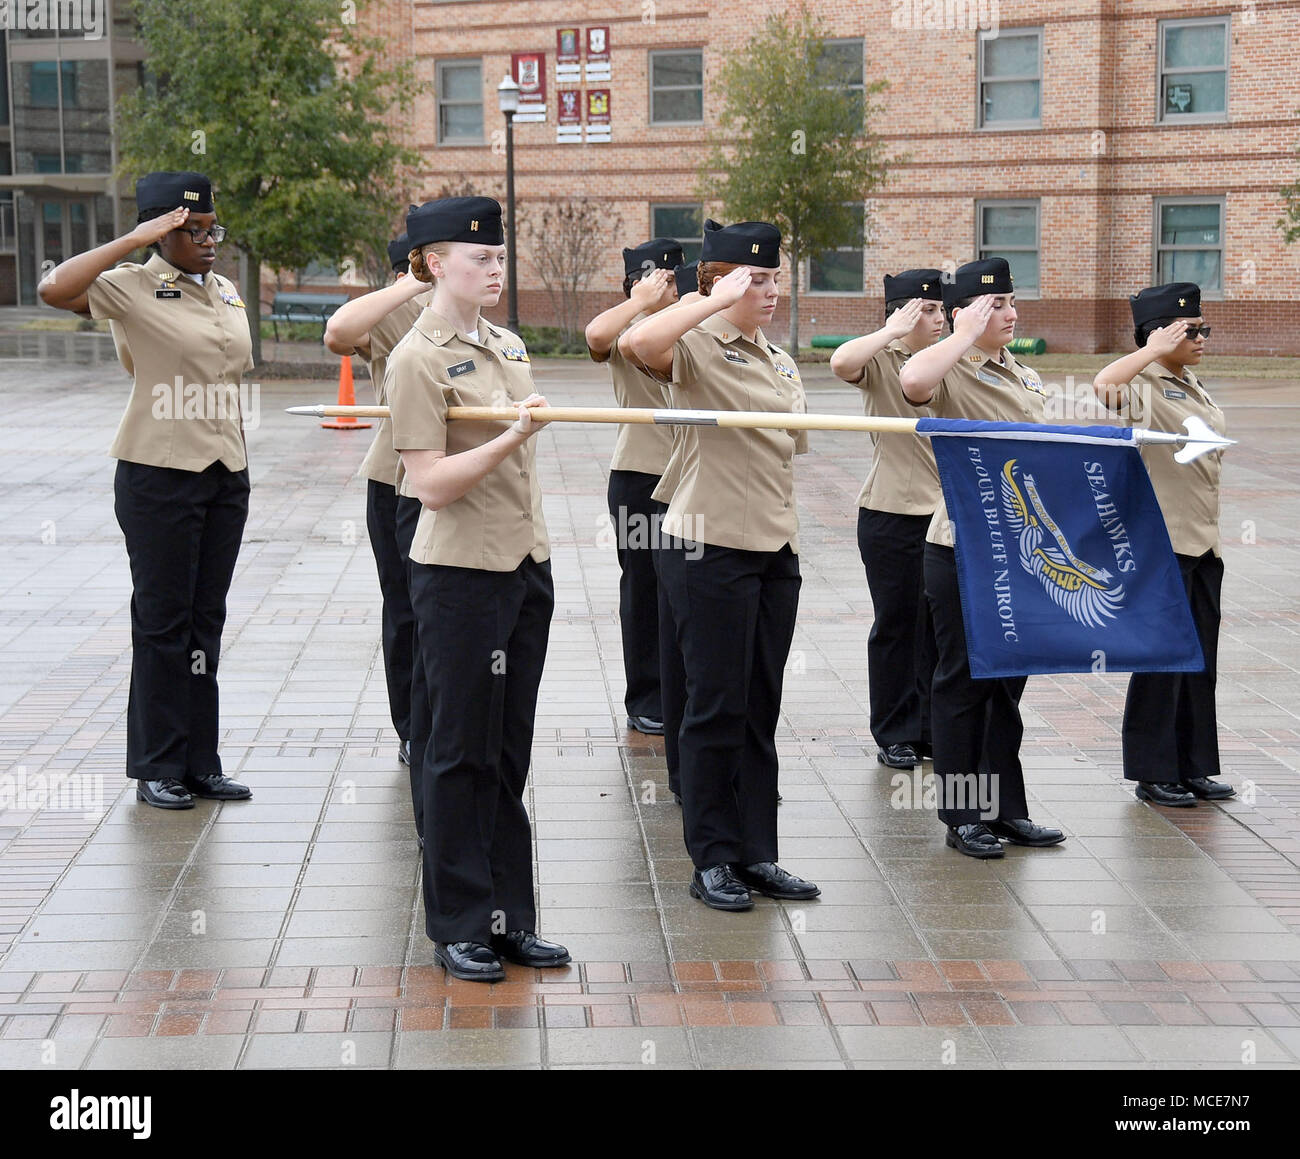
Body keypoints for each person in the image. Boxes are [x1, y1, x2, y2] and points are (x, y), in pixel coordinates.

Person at [385, 196, 569, 982]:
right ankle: (459, 921)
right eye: (479, 259)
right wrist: (513, 435)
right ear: (433, 263)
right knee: (457, 752)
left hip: (522, 568)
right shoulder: (416, 358)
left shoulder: (508, 345)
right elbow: (429, 483)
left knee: (507, 751)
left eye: (498, 258)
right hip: (458, 574)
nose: (494, 269)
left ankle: (508, 916)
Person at [37, 171, 253, 810]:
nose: (209, 240)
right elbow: (54, 287)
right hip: (158, 475)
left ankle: (199, 761)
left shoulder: (227, 291)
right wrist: (135, 239)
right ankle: (157, 765)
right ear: (163, 232)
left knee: (205, 622)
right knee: (164, 623)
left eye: (213, 228)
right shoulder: (128, 287)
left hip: (224, 472)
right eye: (192, 231)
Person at [622, 218, 820, 911]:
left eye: (773, 278)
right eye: (755, 279)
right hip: (706, 544)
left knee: (759, 705)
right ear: (721, 281)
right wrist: (708, 299)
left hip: (773, 545)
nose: (770, 290)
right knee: (714, 704)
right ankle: (711, 857)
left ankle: (756, 850)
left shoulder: (781, 359)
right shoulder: (697, 342)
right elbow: (636, 341)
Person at [899, 257, 1065, 858]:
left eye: (1012, 303)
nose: (1011, 314)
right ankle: (964, 813)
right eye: (997, 304)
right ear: (968, 311)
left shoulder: (1022, 374)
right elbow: (913, 383)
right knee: (964, 683)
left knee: (1005, 690)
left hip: (1021, 551)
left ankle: (1005, 808)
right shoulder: (952, 367)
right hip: (963, 547)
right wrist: (962, 332)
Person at [1092, 282, 1233, 807]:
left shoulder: (1189, 381)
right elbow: (1104, 387)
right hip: (1163, 541)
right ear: (1160, 334)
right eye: (1191, 330)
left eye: (1204, 329)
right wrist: (1148, 351)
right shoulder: (1145, 382)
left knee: (1199, 658)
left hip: (1204, 539)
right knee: (1161, 659)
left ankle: (1192, 764)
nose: (1202, 338)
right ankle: (1154, 770)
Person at [324, 232, 433, 838]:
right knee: (406, 609)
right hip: (395, 480)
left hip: (449, 483)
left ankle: (434, 724)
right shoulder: (397, 311)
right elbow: (338, 335)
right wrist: (412, 285)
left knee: (436, 611)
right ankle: (412, 729)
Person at [830, 270, 945, 772]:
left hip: (947, 514)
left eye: (942, 310)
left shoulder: (951, 361)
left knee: (940, 630)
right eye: (927, 311)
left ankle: (930, 728)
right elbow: (842, 362)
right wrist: (892, 331)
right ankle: (896, 730)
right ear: (900, 312)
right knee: (899, 624)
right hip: (893, 512)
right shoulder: (882, 359)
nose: (939, 319)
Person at [584, 238, 682, 736]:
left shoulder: (692, 326)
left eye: (673, 279)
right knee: (643, 588)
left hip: (692, 476)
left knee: (685, 589)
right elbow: (596, 334)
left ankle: (681, 690)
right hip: (641, 475)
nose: (670, 287)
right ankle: (647, 697)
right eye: (657, 279)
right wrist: (641, 301)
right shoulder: (626, 328)